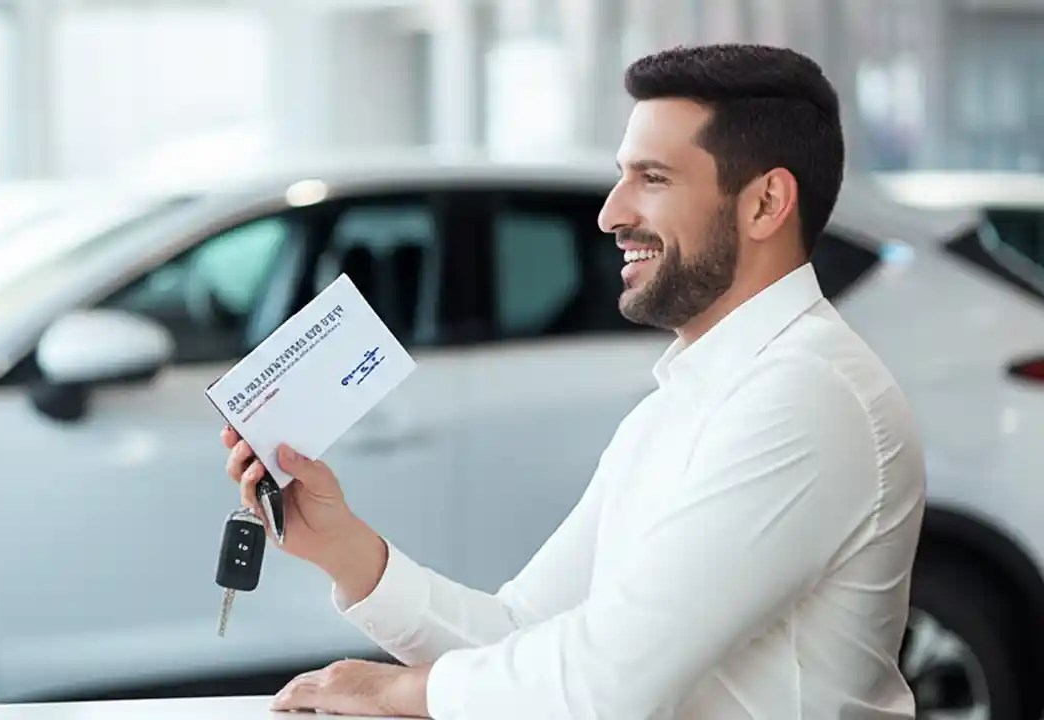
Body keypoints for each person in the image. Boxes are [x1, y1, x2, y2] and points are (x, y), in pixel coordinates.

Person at [222, 43, 926, 719]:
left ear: (767, 202)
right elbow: (521, 635)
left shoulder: (809, 395)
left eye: (652, 178)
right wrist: (343, 547)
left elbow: (603, 686)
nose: (611, 213)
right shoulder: (682, 404)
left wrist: (396, 693)